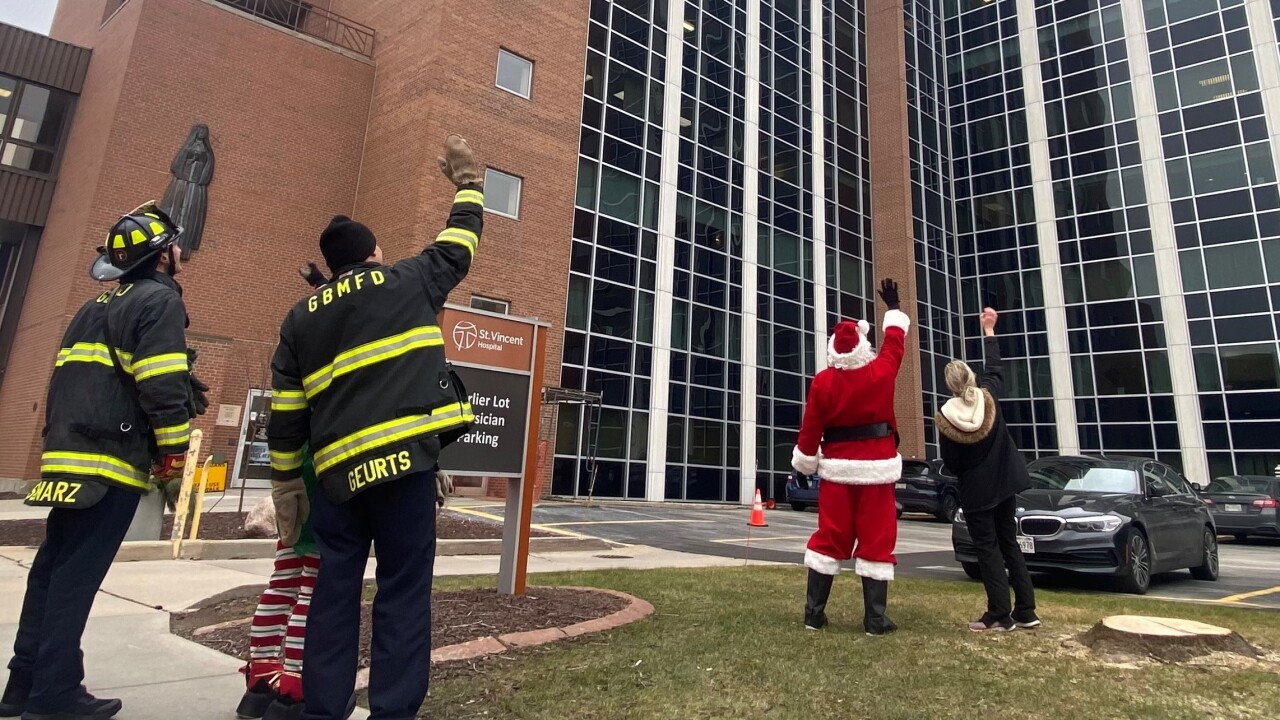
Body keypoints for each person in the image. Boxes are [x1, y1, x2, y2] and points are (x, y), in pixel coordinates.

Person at [267, 135, 482, 720]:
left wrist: (287, 485)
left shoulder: (298, 318)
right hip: (406, 469)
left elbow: (284, 414)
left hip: (337, 483)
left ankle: (322, 711)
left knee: (332, 598)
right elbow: (457, 246)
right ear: (373, 252)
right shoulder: (405, 281)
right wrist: (469, 187)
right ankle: (392, 711)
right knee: (403, 595)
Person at [2, 202, 202, 720]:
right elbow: (159, 383)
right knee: (74, 580)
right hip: (108, 462)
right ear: (161, 258)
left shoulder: (94, 307)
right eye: (174, 246)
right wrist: (174, 454)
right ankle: (54, 696)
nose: (181, 253)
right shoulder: (160, 302)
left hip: (66, 460)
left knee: (50, 572)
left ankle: (23, 687)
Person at [793, 279, 912, 636]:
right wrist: (892, 307)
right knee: (877, 539)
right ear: (863, 347)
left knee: (830, 537)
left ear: (834, 351)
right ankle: (875, 618)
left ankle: (814, 613)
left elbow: (810, 428)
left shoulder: (823, 382)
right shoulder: (881, 372)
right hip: (876, 471)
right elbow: (894, 344)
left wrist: (804, 464)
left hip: (836, 473)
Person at [935, 307, 1039, 632]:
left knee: (988, 549)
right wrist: (989, 331)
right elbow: (996, 368)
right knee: (1009, 542)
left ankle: (999, 614)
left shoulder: (947, 419)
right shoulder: (989, 395)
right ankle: (1026, 610)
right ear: (971, 377)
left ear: (951, 386)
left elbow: (951, 463)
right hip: (1005, 483)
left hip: (977, 492)